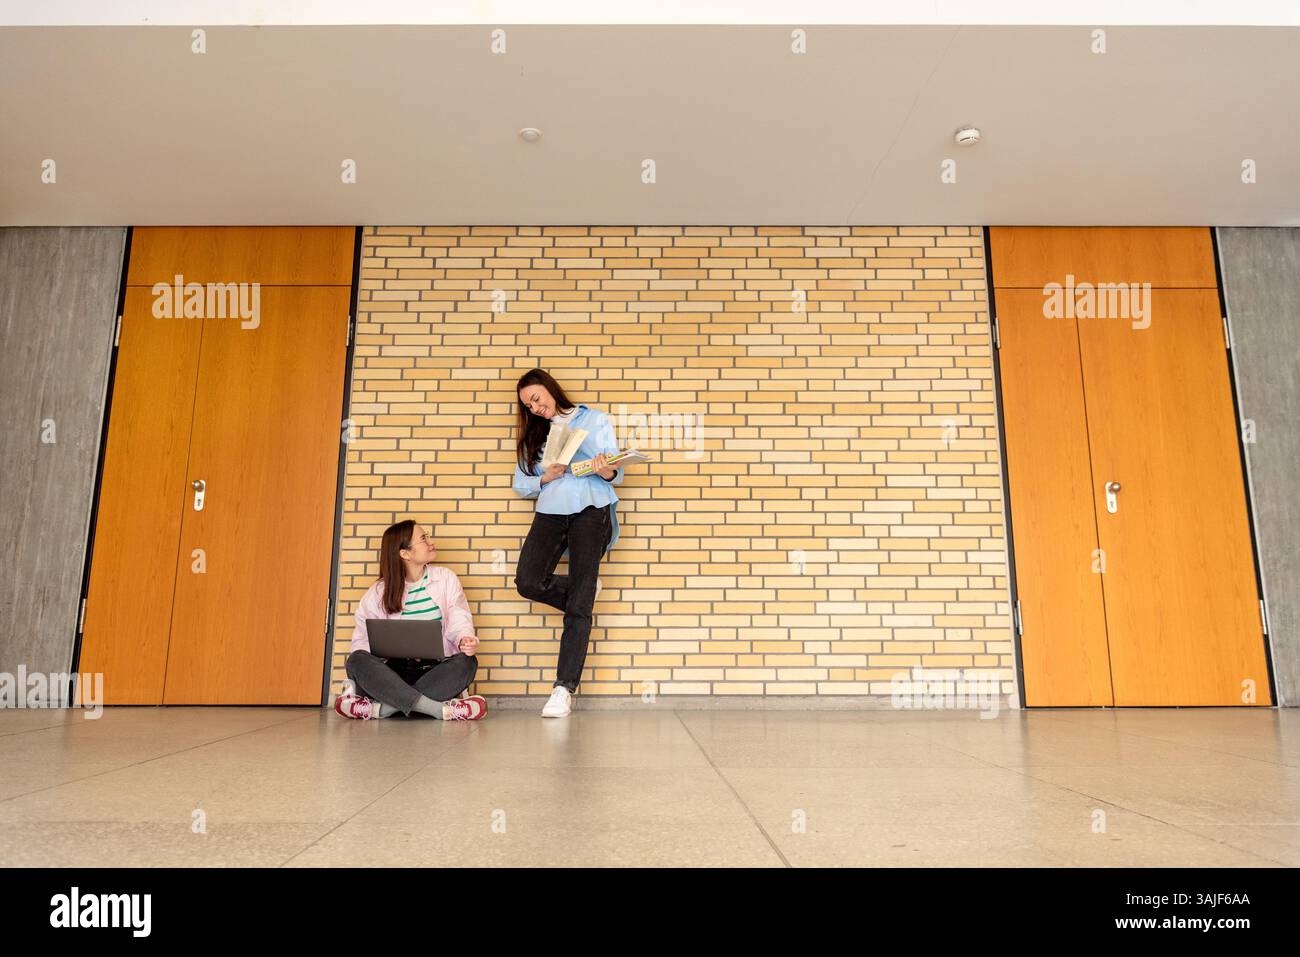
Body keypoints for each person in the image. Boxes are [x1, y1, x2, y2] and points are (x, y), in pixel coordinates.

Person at [512, 368, 633, 717]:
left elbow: (615, 470)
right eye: (528, 405)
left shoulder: (593, 419)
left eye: (536, 398)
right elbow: (522, 483)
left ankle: (564, 688)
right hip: (551, 509)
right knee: (528, 581)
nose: (534, 408)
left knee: (579, 605)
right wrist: (544, 478)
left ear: (551, 390)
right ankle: (582, 592)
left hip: (591, 508)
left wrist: (604, 468)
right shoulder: (534, 435)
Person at [335, 519, 487, 721]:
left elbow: (459, 616)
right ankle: (439, 710)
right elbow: (362, 640)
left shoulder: (446, 578)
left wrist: (464, 639)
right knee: (356, 660)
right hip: (391, 673)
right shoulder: (379, 591)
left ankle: (382, 709)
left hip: (433, 671)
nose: (430, 542)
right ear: (405, 553)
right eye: (423, 538)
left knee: (467, 662)